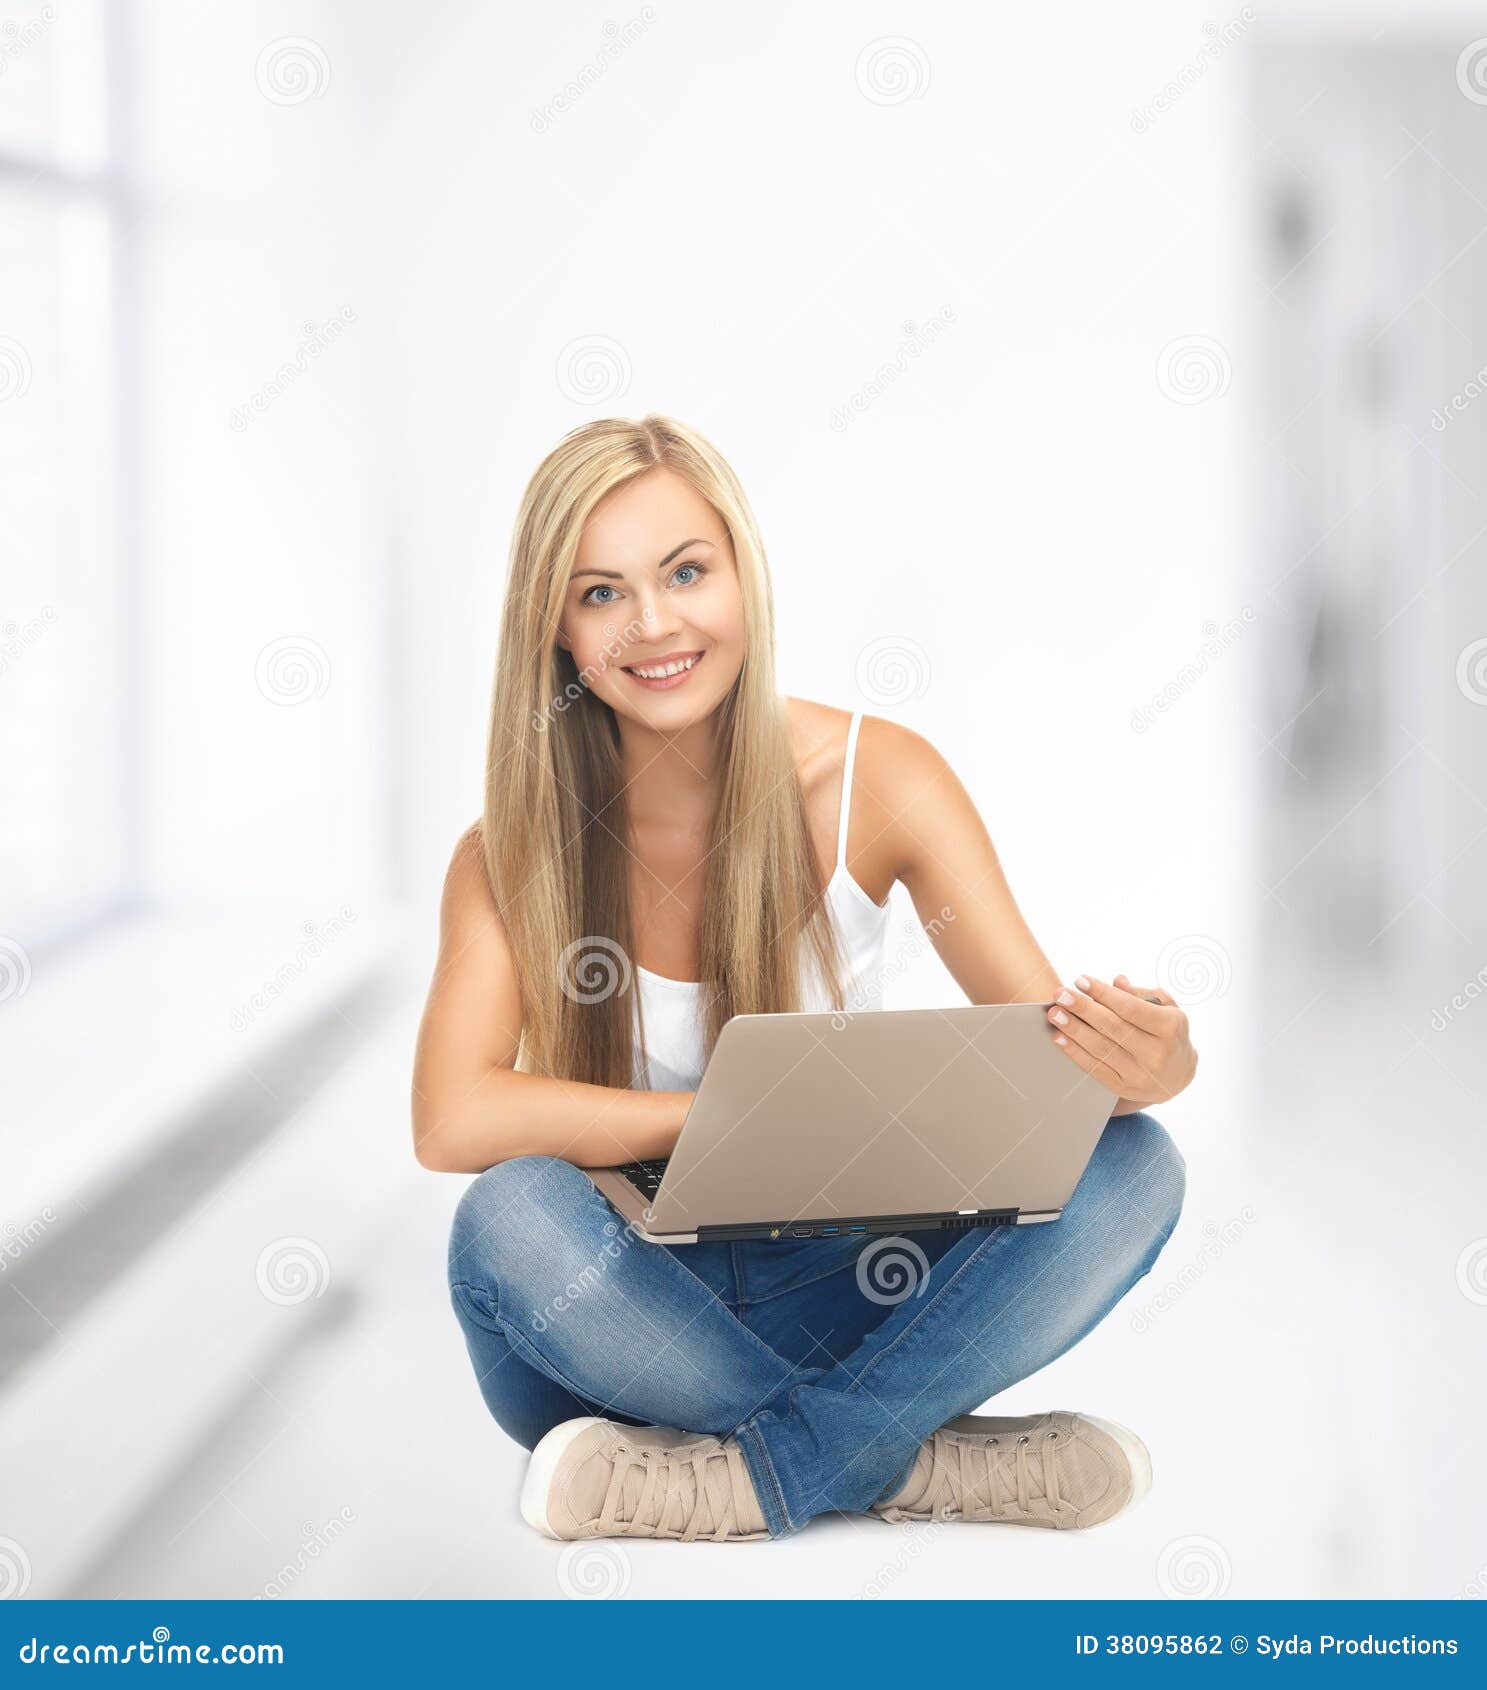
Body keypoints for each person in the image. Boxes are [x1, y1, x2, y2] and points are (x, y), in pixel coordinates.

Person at [411, 414, 1196, 1543]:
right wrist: (721, 1120)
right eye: (600, 593)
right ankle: (910, 1461)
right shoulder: (507, 849)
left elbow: (1054, 1067)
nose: (654, 624)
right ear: (552, 626)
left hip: (854, 1289)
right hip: (620, 1310)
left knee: (1136, 1167)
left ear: (743, 574)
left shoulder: (874, 778)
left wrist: (1157, 1062)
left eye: (686, 571)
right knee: (504, 1218)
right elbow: (453, 1115)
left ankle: (743, 1472)